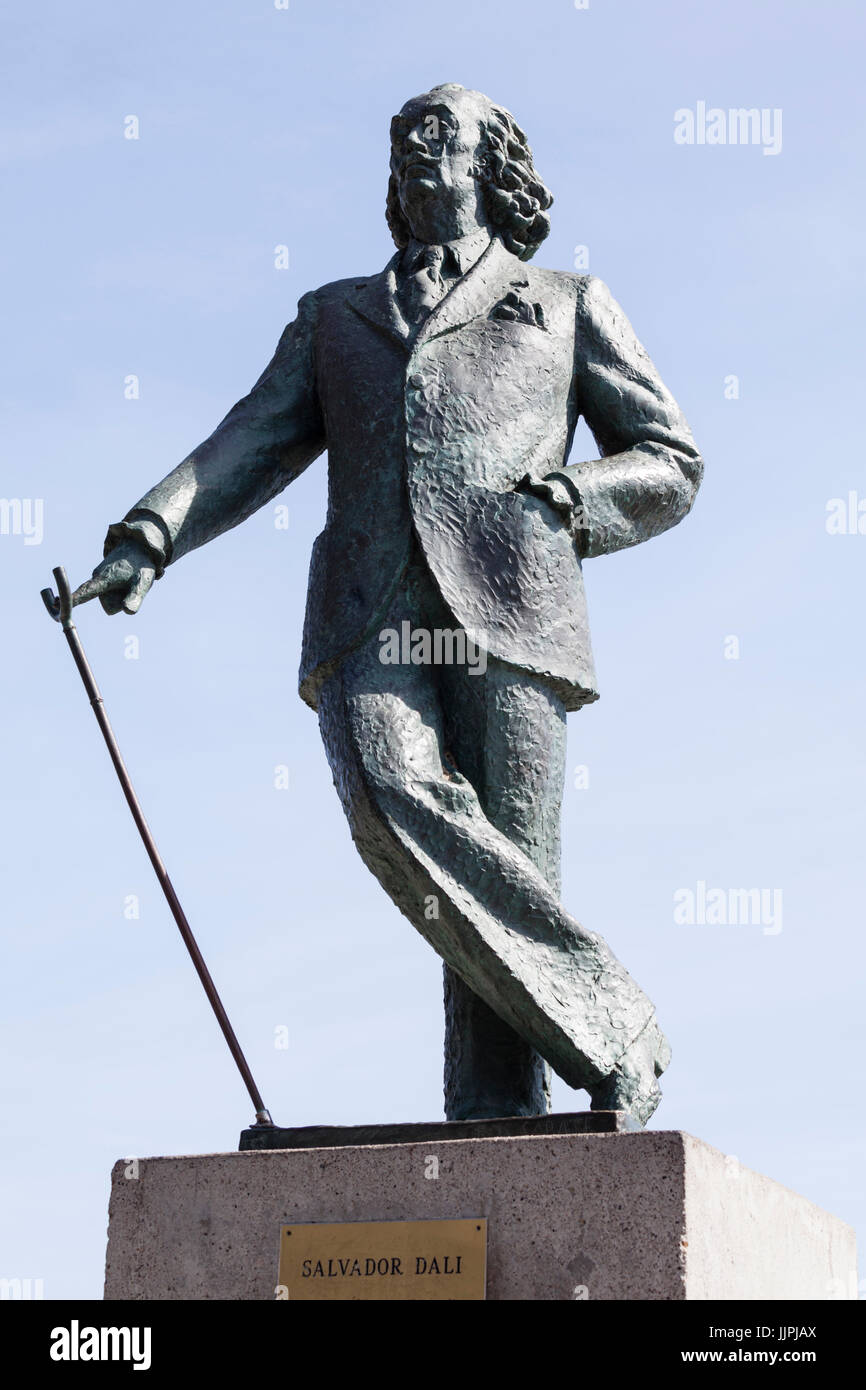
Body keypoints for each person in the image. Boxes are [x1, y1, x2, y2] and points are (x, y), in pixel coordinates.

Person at [89, 84, 703, 1125]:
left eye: (440, 134)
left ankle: (493, 1123)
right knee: (386, 787)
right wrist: (148, 535)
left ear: (489, 163)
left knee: (506, 859)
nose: (417, 149)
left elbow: (670, 461)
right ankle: (616, 1027)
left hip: (513, 602)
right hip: (369, 607)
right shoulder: (335, 315)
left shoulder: (563, 302)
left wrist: (573, 496)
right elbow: (250, 442)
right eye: (403, 140)